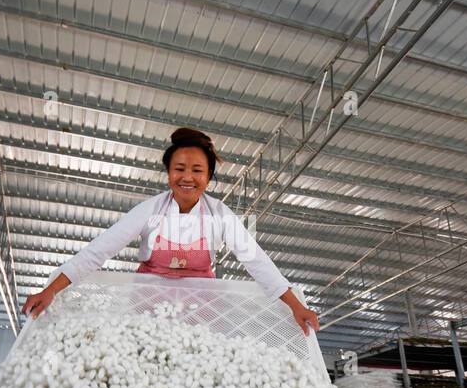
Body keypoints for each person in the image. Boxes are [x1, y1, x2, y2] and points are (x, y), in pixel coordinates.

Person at [22, 127, 320, 334]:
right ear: (168, 173)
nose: (187, 177)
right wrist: (50, 290)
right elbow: (100, 250)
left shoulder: (220, 214)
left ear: (209, 178)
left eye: (197, 171)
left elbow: (256, 261)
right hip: (148, 299)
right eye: (179, 169)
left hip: (200, 304)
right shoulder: (149, 210)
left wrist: (296, 306)